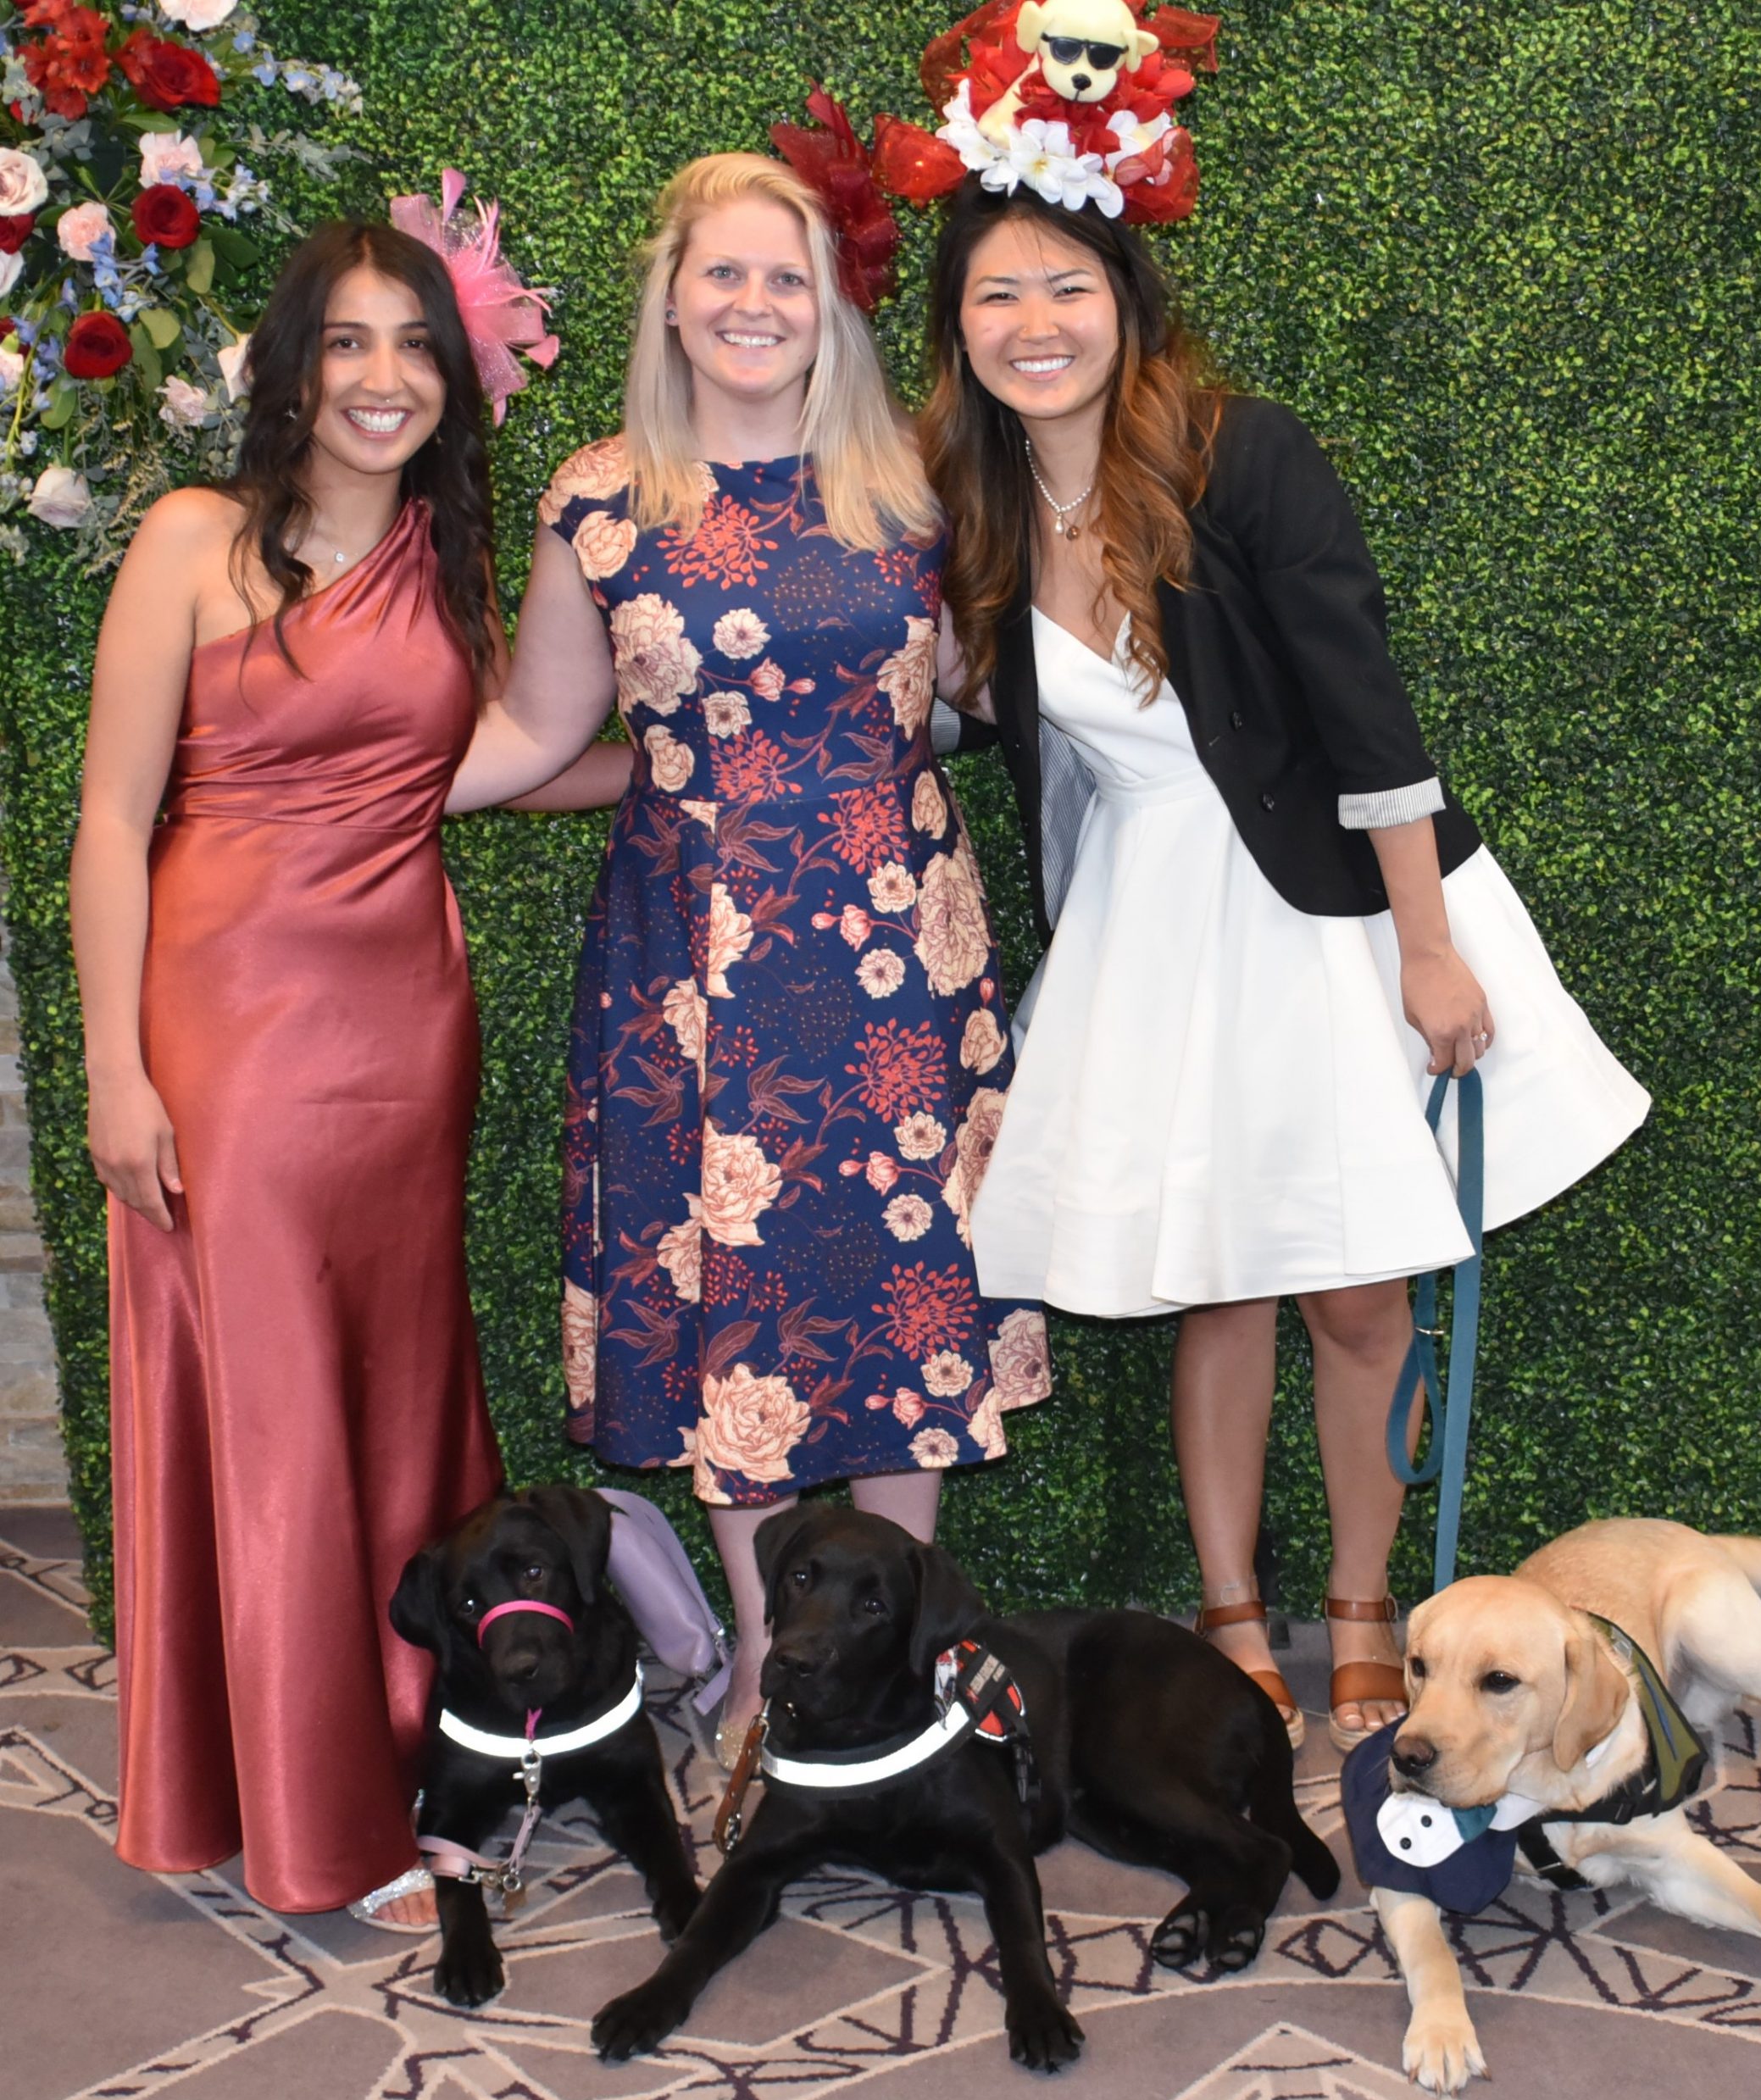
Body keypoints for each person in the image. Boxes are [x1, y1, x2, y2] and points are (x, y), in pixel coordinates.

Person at [918, 167, 1650, 1752]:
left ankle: (1365, 1605)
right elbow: (972, 708)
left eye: (1067, 288)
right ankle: (1230, 1609)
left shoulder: (1236, 450)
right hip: (1144, 928)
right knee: (1217, 1288)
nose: (1037, 326)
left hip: (1317, 913)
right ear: (956, 329)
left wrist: (1428, 946)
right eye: (998, 296)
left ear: (1125, 298)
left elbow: (1358, 699)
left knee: (1360, 1296)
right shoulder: (971, 502)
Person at [450, 148, 1050, 1764]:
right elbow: (533, 726)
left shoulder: (920, 482)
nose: (755, 304)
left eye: (786, 278)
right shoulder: (599, 497)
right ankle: (775, 1701)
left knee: (900, 1296)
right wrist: (329, 784)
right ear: (672, 296)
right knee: (739, 1320)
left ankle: (902, 1678)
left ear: (831, 306)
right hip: (687, 966)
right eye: (723, 274)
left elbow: (1007, 693)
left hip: (892, 954)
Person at [72, 221, 507, 1917]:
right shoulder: (191, 539)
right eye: (348, 342)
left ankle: (414, 1751)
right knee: (267, 1423)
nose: (383, 376)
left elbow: (495, 764)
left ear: (449, 381)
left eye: (413, 344)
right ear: (294, 367)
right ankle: (311, 1815)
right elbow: (113, 820)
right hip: (228, 1035)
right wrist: (118, 1065)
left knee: (398, 1400)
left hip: (404, 1041)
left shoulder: (452, 564)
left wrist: (730, 762)